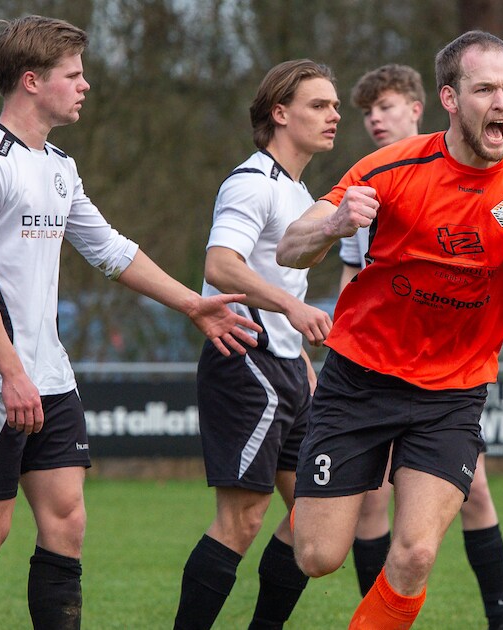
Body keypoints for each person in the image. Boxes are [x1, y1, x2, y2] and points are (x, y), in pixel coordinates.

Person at [0, 15, 261, 629]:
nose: (85, 85)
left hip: (51, 376)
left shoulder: (58, 165)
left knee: (67, 523)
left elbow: (109, 248)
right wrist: (12, 371)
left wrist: (190, 303)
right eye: (73, 74)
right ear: (31, 81)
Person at [277, 31, 503, 629]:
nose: (501, 103)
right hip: (360, 380)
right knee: (318, 555)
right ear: (450, 98)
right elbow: (290, 247)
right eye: (484, 90)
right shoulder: (393, 167)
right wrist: (334, 224)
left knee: (417, 551)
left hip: (452, 392)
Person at [341, 63, 503, 630]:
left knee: (473, 491)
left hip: (452, 375)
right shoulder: (371, 183)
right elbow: (354, 281)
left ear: (425, 106)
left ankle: (501, 615)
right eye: (368, 111)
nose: (376, 117)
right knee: (369, 503)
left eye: (387, 105)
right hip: (378, 371)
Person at [173, 59, 339, 630]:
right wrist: (291, 309)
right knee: (242, 521)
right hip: (245, 363)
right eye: (319, 105)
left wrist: (302, 355)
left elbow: (284, 273)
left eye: (335, 105)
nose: (333, 115)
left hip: (290, 369)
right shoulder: (251, 182)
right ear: (280, 112)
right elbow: (220, 265)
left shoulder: (299, 192)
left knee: (315, 519)